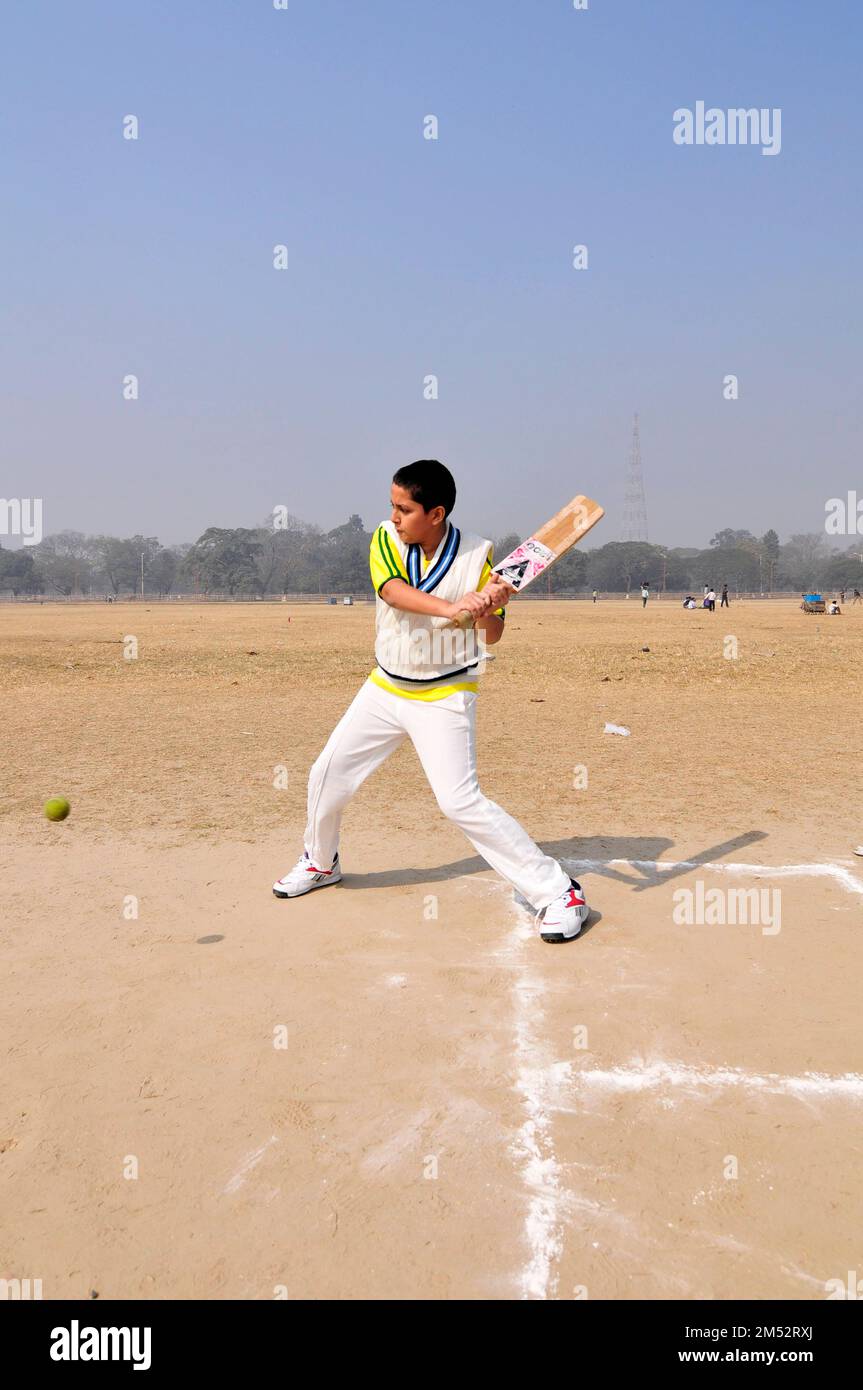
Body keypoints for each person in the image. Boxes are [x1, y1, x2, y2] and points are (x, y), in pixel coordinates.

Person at [272, 459, 590, 943]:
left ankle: (558, 893)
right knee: (325, 774)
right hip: (386, 685)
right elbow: (394, 592)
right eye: (393, 506)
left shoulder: (480, 556)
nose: (395, 517)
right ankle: (320, 861)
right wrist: (453, 605)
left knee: (459, 802)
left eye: (405, 509)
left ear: (436, 512)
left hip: (444, 691)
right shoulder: (385, 538)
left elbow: (495, 633)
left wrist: (486, 607)